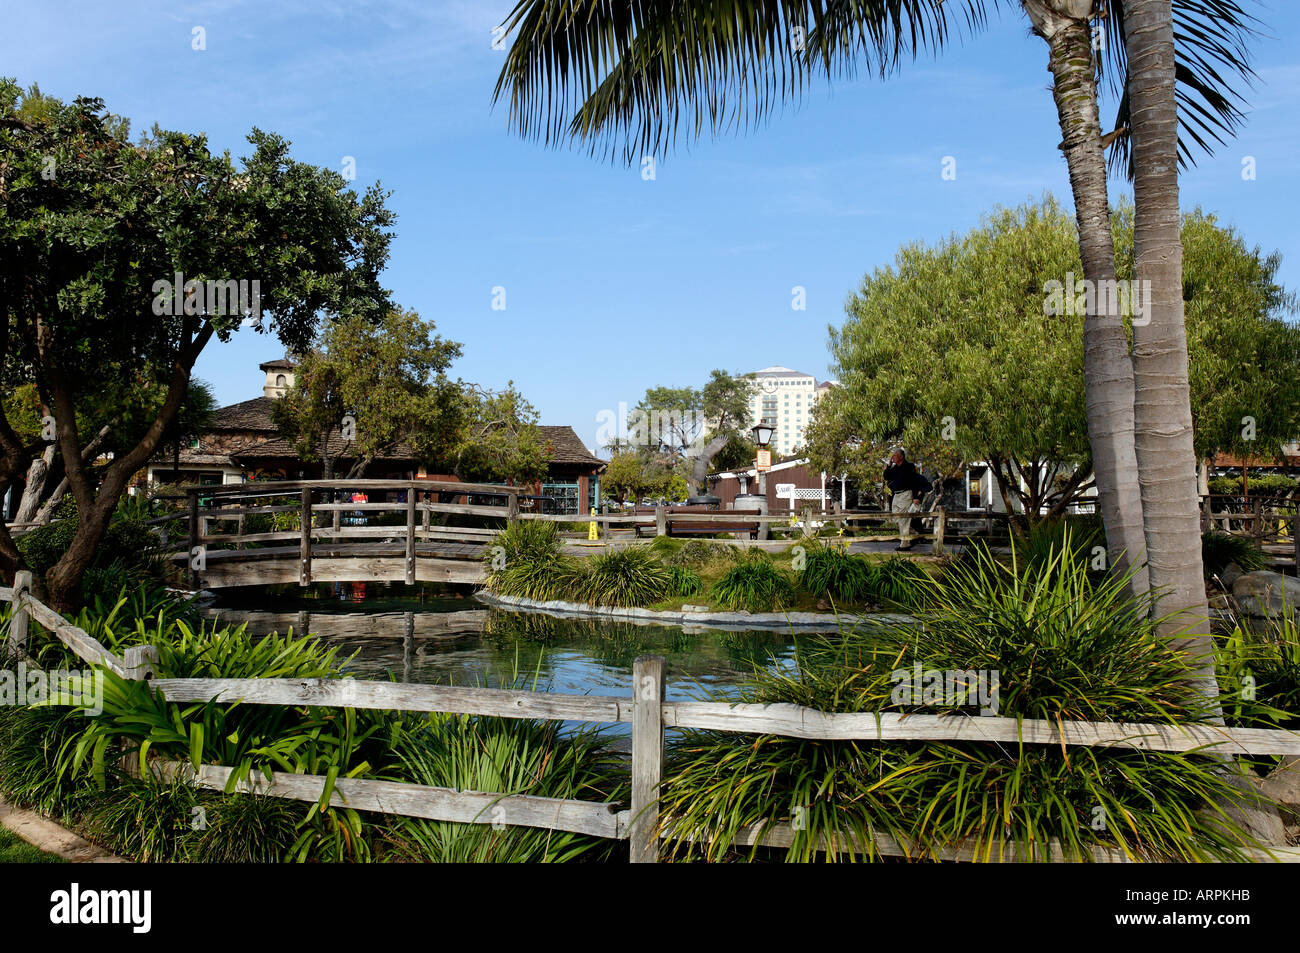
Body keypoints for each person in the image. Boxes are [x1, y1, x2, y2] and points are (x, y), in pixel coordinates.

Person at [884, 449, 920, 550]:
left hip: (906, 494)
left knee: (904, 519)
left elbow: (914, 481)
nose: (893, 457)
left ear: (901, 457)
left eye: (895, 455)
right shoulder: (894, 468)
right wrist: (889, 465)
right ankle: (914, 534)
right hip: (896, 495)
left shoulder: (909, 466)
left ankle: (905, 544)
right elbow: (886, 476)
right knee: (896, 518)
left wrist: (916, 497)